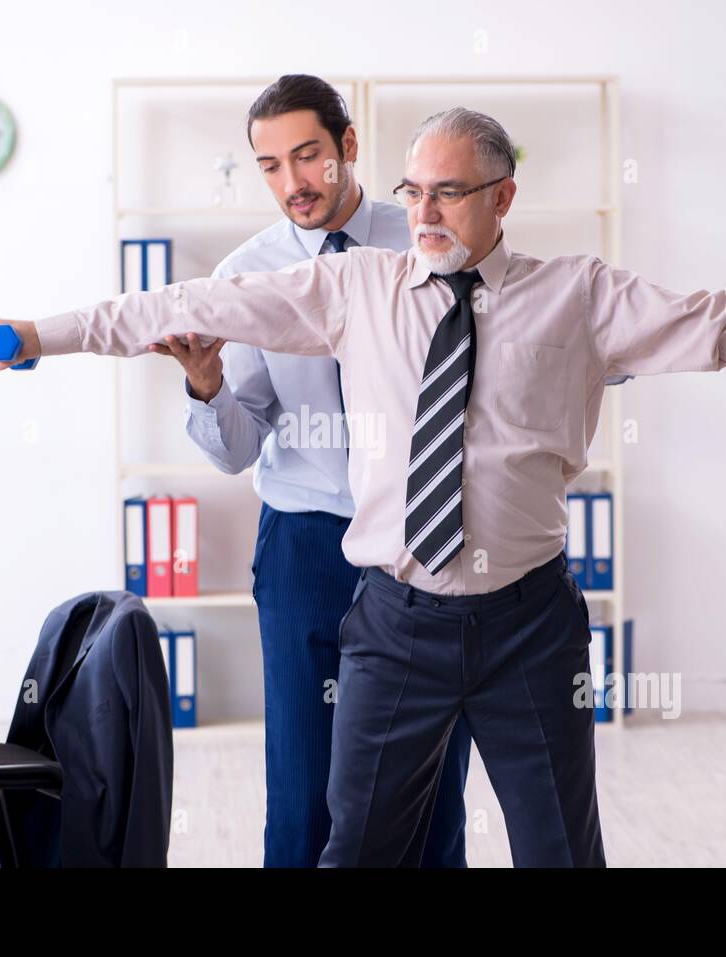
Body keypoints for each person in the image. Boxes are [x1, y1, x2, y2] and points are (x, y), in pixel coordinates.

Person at [0, 107, 726, 866]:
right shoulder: (353, 287)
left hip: (530, 627)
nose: (427, 214)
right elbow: (183, 304)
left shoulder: (578, 295)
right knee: (356, 846)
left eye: (452, 194)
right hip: (395, 626)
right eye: (415, 193)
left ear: (505, 196)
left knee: (562, 850)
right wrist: (42, 335)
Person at [147, 74, 471, 868]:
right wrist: (207, 386)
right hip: (304, 545)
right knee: (303, 790)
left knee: (428, 790)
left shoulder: (424, 239)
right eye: (269, 166)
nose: (292, 183)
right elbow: (235, 448)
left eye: (307, 157)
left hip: (420, 541)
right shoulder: (245, 275)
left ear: (348, 148)